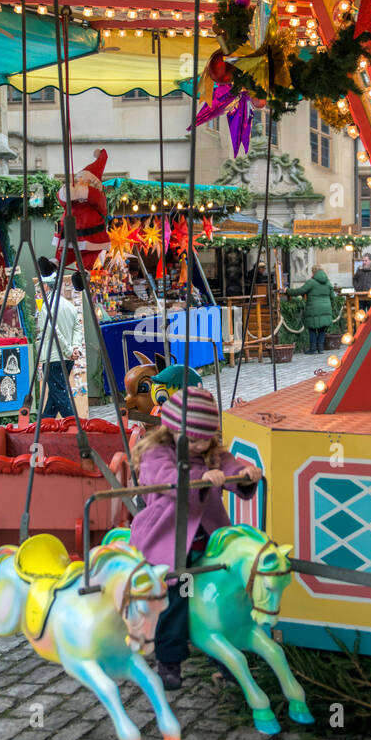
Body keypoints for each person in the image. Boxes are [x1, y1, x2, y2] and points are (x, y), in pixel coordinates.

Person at [129, 386, 262, 691]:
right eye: (196, 438)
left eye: (208, 438)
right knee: (175, 597)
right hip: (170, 538)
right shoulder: (156, 453)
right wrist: (199, 480)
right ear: (174, 430)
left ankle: (225, 657)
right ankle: (169, 659)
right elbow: (166, 479)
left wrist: (244, 472)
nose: (203, 445)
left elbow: (228, 463)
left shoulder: (210, 451)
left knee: (221, 594)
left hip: (208, 538)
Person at [38, 270, 81, 417]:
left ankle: (75, 425)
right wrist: (75, 348)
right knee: (55, 394)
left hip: (54, 357)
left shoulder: (46, 306)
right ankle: (45, 423)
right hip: (66, 358)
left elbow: (53, 332)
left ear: (45, 287)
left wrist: (70, 350)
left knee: (60, 395)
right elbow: (77, 328)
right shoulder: (69, 306)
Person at [289, 265, 337, 354]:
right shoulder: (328, 283)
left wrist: (287, 291)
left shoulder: (311, 282)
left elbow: (300, 291)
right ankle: (320, 348)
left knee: (312, 328)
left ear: (313, 272)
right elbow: (333, 297)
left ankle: (313, 348)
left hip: (313, 308)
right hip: (326, 308)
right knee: (322, 329)